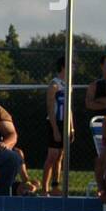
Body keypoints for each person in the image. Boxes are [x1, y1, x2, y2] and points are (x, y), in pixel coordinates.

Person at [41, 57, 70, 196]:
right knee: (52, 155)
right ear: (64, 67)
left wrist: (71, 126)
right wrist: (55, 129)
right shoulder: (54, 85)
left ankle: (55, 186)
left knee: (60, 156)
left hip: (65, 123)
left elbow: (69, 108)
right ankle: (44, 188)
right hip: (55, 122)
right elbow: (50, 108)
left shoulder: (67, 84)